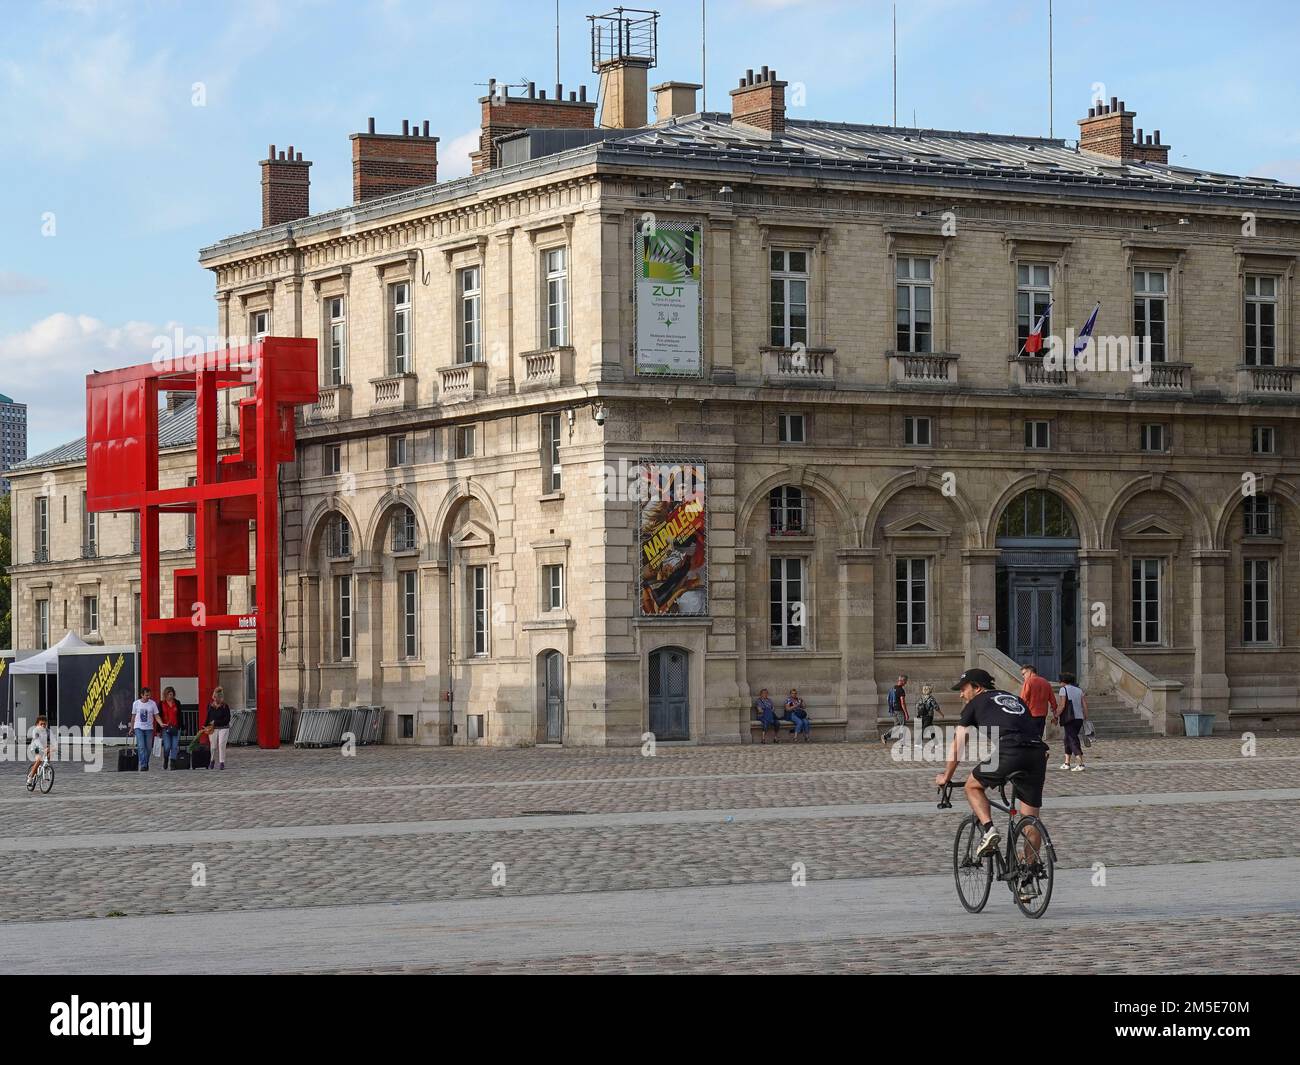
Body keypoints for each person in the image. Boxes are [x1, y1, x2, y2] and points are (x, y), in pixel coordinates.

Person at [935, 668, 1049, 899]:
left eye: (963, 689)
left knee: (972, 786)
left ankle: (989, 830)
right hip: (1037, 753)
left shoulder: (974, 704)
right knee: (1031, 820)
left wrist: (946, 776)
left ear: (977, 688)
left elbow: (958, 745)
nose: (961, 695)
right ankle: (1027, 879)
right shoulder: (1015, 698)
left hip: (1009, 750)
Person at [1055, 671, 1088, 771]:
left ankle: (1080, 763)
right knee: (1067, 739)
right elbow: (1084, 704)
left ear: (1063, 681)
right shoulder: (1079, 690)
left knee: (1072, 739)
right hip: (1079, 718)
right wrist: (1085, 716)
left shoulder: (1063, 689)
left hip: (1069, 718)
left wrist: (1056, 715)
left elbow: (1062, 705)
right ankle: (1067, 762)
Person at [1018, 663, 1058, 740]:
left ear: (1029, 671)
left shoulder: (1028, 682)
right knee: (1039, 737)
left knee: (1030, 738)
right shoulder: (1046, 682)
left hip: (1030, 714)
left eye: (1023, 674)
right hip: (1042, 715)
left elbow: (1023, 700)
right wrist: (1055, 716)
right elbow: (1053, 701)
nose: (1023, 677)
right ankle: (1040, 751)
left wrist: (1020, 714)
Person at [130, 686, 161, 772]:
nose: (148, 697)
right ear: (142, 695)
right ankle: (143, 764)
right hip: (138, 727)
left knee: (148, 747)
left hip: (149, 728)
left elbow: (156, 715)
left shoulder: (153, 704)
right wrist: (131, 727)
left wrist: (161, 723)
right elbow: (133, 716)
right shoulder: (136, 703)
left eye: (149, 695)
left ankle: (145, 762)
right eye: (146, 695)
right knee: (141, 746)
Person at [204, 687, 232, 771]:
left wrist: (216, 722)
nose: (216, 699)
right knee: (213, 746)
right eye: (214, 697)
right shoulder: (210, 706)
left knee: (221, 744)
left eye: (217, 698)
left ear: (221, 698)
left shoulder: (225, 706)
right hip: (213, 728)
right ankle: (212, 760)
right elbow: (208, 717)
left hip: (223, 727)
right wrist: (205, 726)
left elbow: (227, 719)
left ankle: (222, 762)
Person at [157, 687, 183, 770]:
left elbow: (180, 715)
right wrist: (158, 730)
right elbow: (159, 717)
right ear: (165, 695)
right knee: (167, 746)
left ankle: (173, 763)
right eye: (169, 694)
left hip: (176, 727)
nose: (170, 696)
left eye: (172, 694)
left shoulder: (177, 703)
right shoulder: (161, 704)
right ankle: (166, 759)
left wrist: (183, 727)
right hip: (165, 727)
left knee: (174, 746)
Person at [26, 715, 51, 791]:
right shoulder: (35, 731)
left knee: (49, 753)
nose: (43, 725)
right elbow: (36, 741)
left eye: (45, 724)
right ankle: (30, 778)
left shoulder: (47, 731)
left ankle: (46, 768)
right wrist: (43, 748)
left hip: (43, 748)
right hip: (35, 748)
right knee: (39, 760)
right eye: (41, 724)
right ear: (37, 724)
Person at [883, 674, 909, 744]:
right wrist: (906, 713)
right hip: (899, 710)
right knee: (903, 726)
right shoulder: (901, 690)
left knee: (897, 726)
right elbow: (902, 703)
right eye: (905, 681)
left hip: (893, 710)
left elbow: (887, 698)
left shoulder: (892, 688)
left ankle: (886, 736)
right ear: (903, 681)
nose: (906, 683)